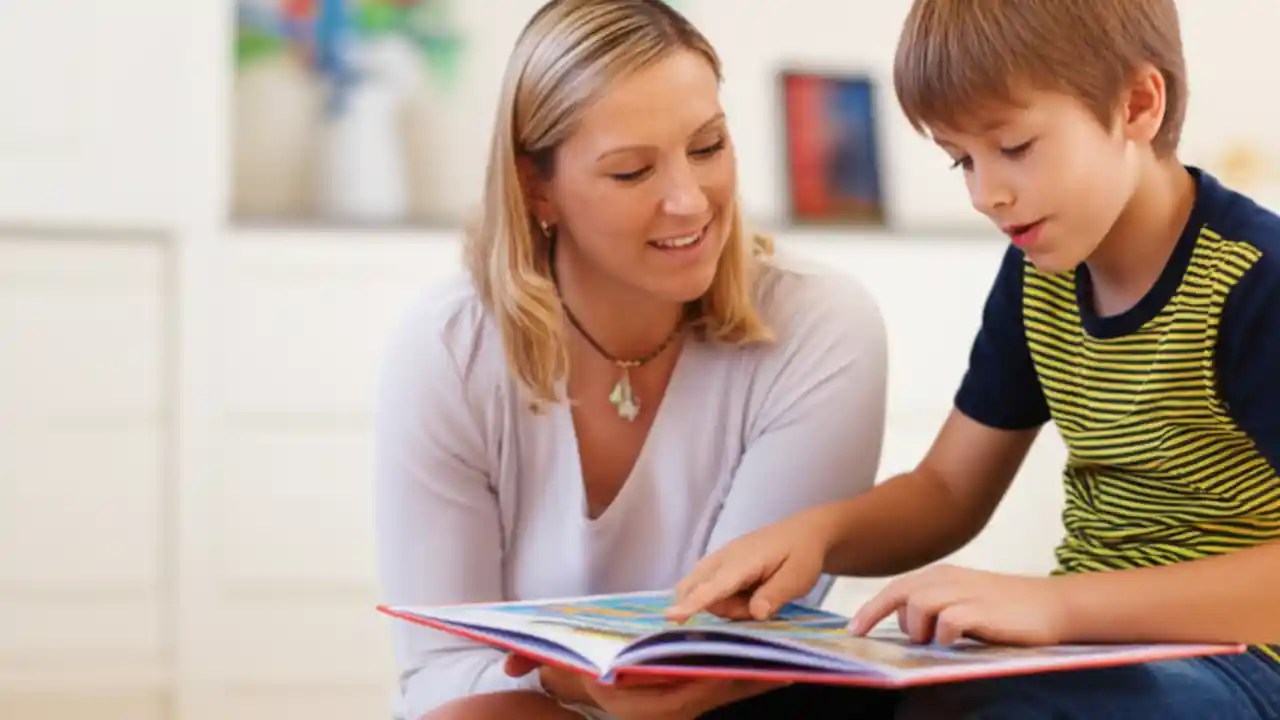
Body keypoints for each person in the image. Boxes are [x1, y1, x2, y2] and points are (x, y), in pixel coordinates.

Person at [668, 1, 1280, 717]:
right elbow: (949, 491)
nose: (987, 193)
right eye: (962, 159)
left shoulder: (1252, 282)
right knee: (770, 697)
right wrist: (817, 536)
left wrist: (1055, 608)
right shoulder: (1039, 272)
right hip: (1089, 649)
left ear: (1138, 104)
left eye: (1015, 147)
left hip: (1241, 660)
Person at [372, 1, 888, 718]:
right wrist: (564, 684)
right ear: (537, 186)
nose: (688, 202)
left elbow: (726, 652)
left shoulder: (820, 328)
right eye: (631, 172)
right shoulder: (448, 348)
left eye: (707, 148)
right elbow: (438, 675)